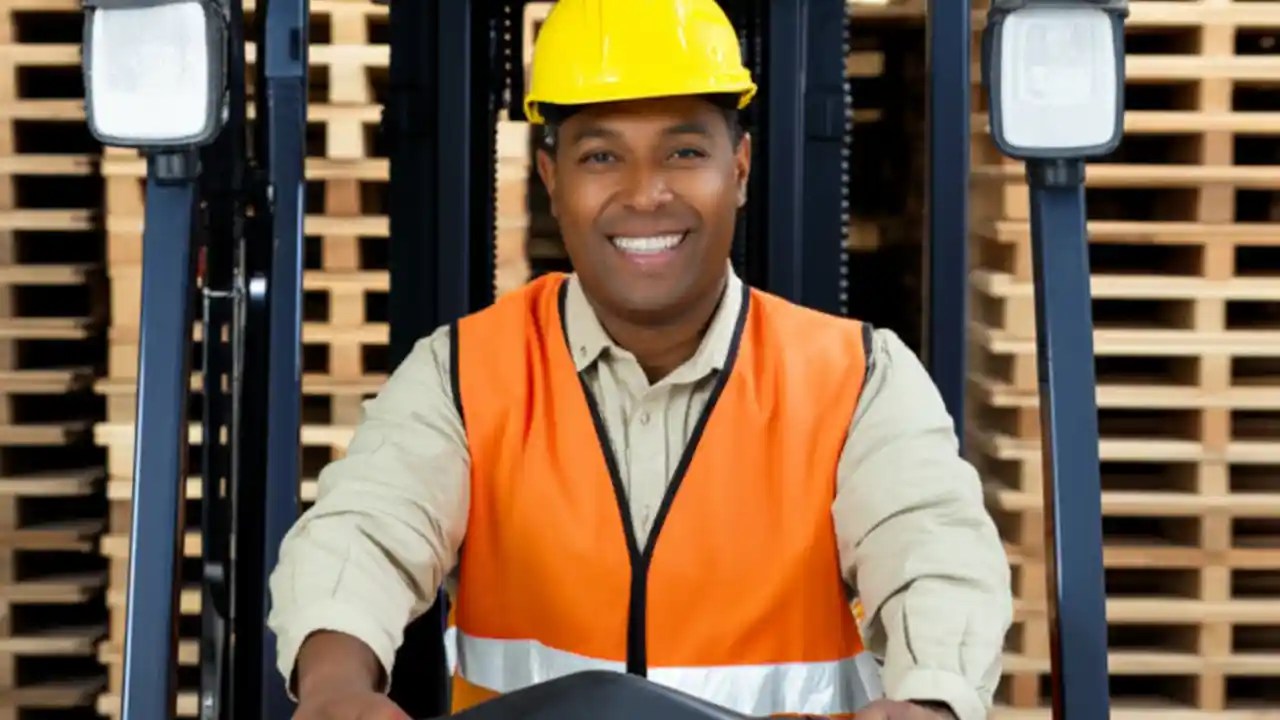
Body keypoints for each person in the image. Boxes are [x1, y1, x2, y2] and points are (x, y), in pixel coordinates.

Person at [267, 1, 1013, 718]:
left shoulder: (857, 379)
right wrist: (335, 682)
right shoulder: (464, 375)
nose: (646, 193)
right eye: (602, 156)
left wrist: (931, 698)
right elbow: (364, 529)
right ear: (553, 181)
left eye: (685, 152)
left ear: (741, 169)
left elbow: (931, 549)